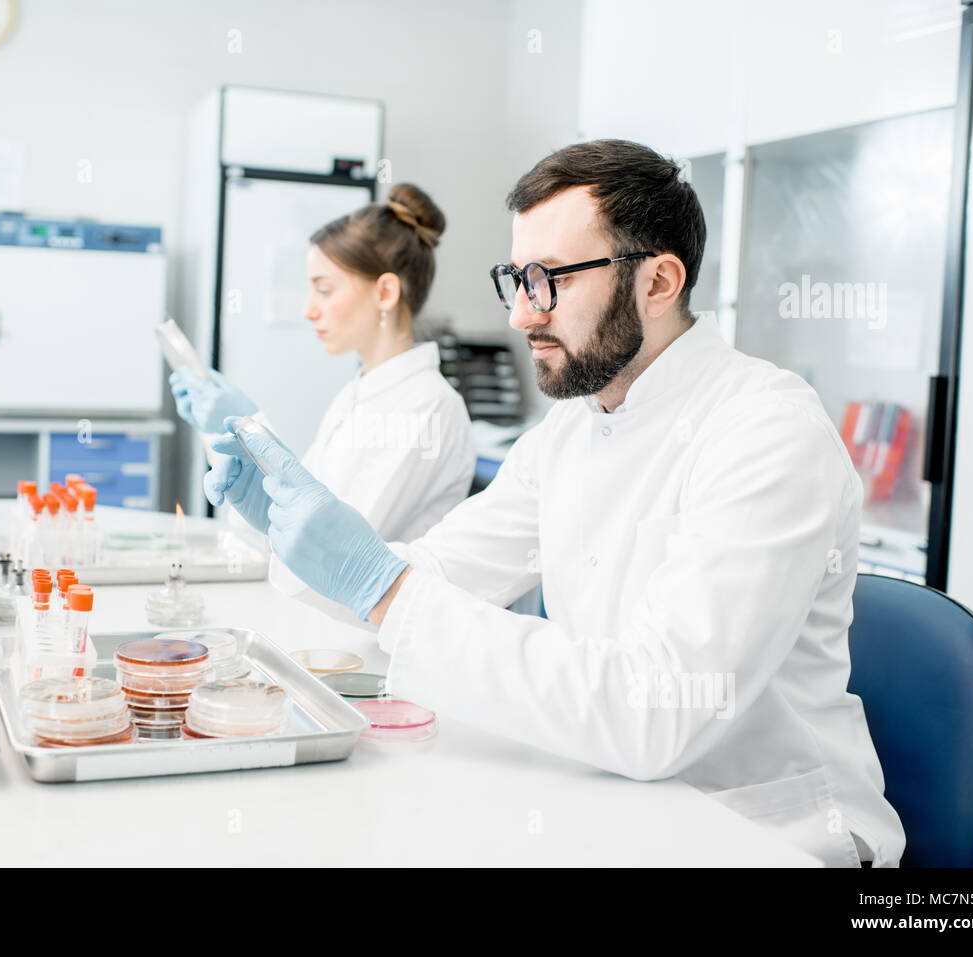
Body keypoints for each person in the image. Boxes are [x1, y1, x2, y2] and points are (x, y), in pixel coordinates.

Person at [205, 140, 906, 867]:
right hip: (619, 800)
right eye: (516, 278)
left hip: (763, 831)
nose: (519, 315)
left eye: (547, 280)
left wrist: (382, 586)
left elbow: (656, 709)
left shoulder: (767, 432)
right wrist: (306, 539)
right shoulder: (573, 426)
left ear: (658, 282)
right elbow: (441, 573)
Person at [171, 183, 475, 605]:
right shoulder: (360, 392)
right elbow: (286, 520)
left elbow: (329, 550)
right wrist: (227, 435)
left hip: (370, 646)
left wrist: (254, 427)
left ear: (385, 292)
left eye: (325, 289)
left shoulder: (426, 407)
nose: (308, 309)